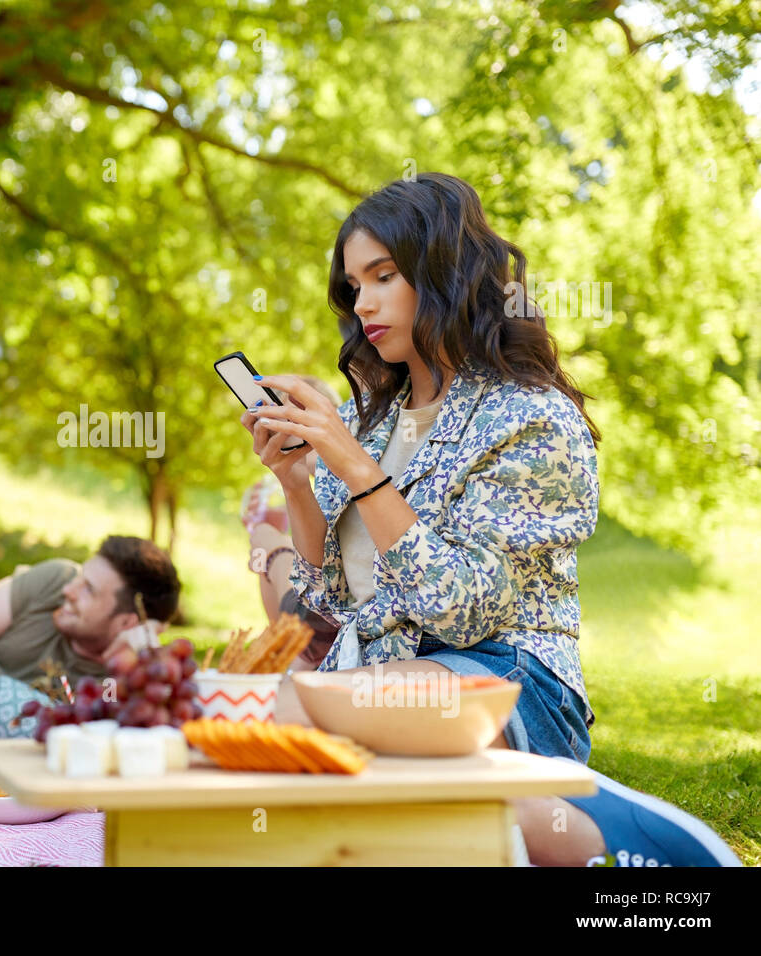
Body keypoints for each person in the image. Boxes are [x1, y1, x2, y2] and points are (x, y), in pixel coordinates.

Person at [245, 172, 739, 866]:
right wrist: (296, 482)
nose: (364, 304)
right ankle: (573, 833)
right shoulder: (377, 422)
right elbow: (329, 601)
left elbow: (463, 610)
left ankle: (629, 850)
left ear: (442, 272)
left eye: (384, 276)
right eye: (353, 287)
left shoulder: (531, 418)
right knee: (275, 737)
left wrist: (355, 466)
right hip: (382, 684)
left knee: (297, 717)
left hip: (504, 679)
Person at [0, 536, 182, 756]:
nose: (69, 591)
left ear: (126, 623)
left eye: (89, 589)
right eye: (80, 577)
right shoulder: (54, 580)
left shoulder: (112, 687)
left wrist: (135, 660)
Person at [240, 375, 342, 670]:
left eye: (290, 417)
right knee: (268, 543)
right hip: (318, 615)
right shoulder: (303, 478)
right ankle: (285, 657)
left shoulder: (333, 466)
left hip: (322, 619)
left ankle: (284, 654)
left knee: (265, 538)